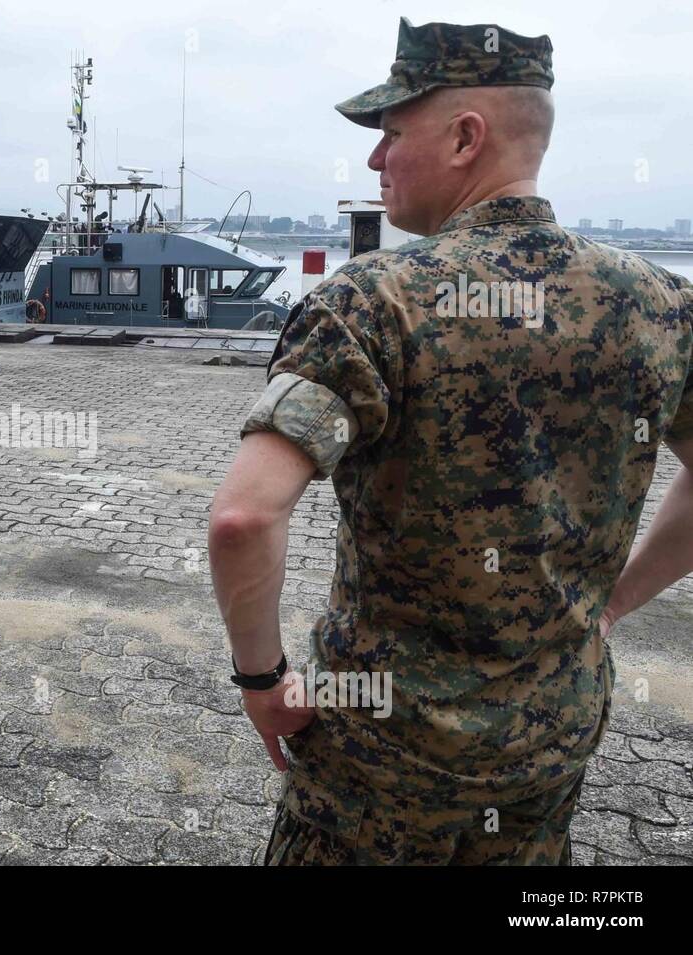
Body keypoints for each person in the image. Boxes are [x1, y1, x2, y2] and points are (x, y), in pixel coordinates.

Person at [208, 17, 693, 864]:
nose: (373, 161)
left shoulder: (373, 303)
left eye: (392, 133)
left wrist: (261, 681)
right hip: (550, 741)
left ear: (466, 137)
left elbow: (243, 520)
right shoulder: (657, 304)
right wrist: (609, 606)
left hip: (378, 758)